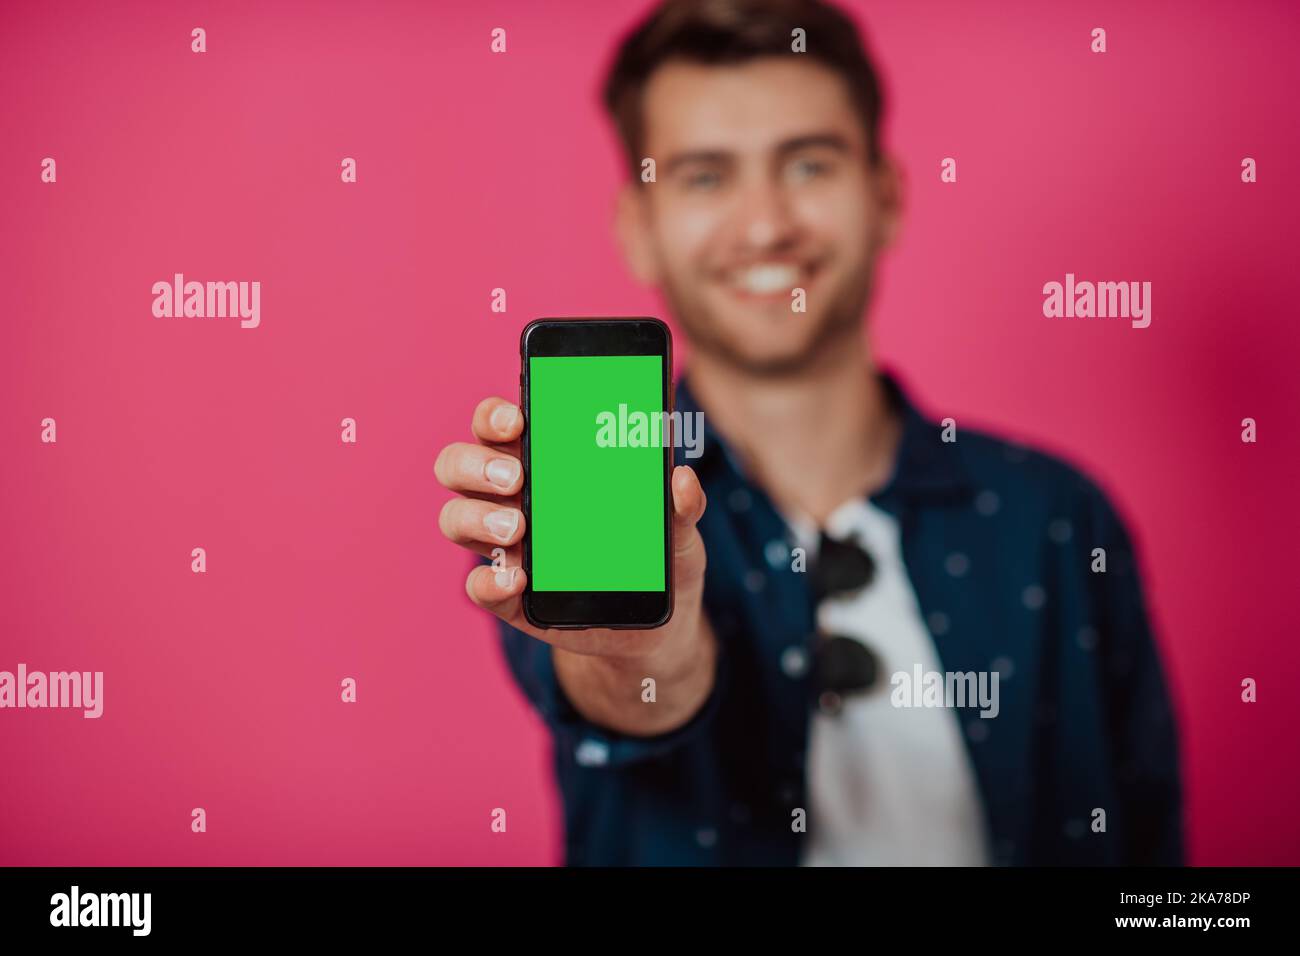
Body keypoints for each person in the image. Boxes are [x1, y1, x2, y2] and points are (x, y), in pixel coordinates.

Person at [433, 0, 1183, 866]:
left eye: (809, 164)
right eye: (706, 177)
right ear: (638, 229)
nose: (765, 225)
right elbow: (630, 696)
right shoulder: (566, 505)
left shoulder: (1058, 519)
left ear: (887, 196)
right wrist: (645, 652)